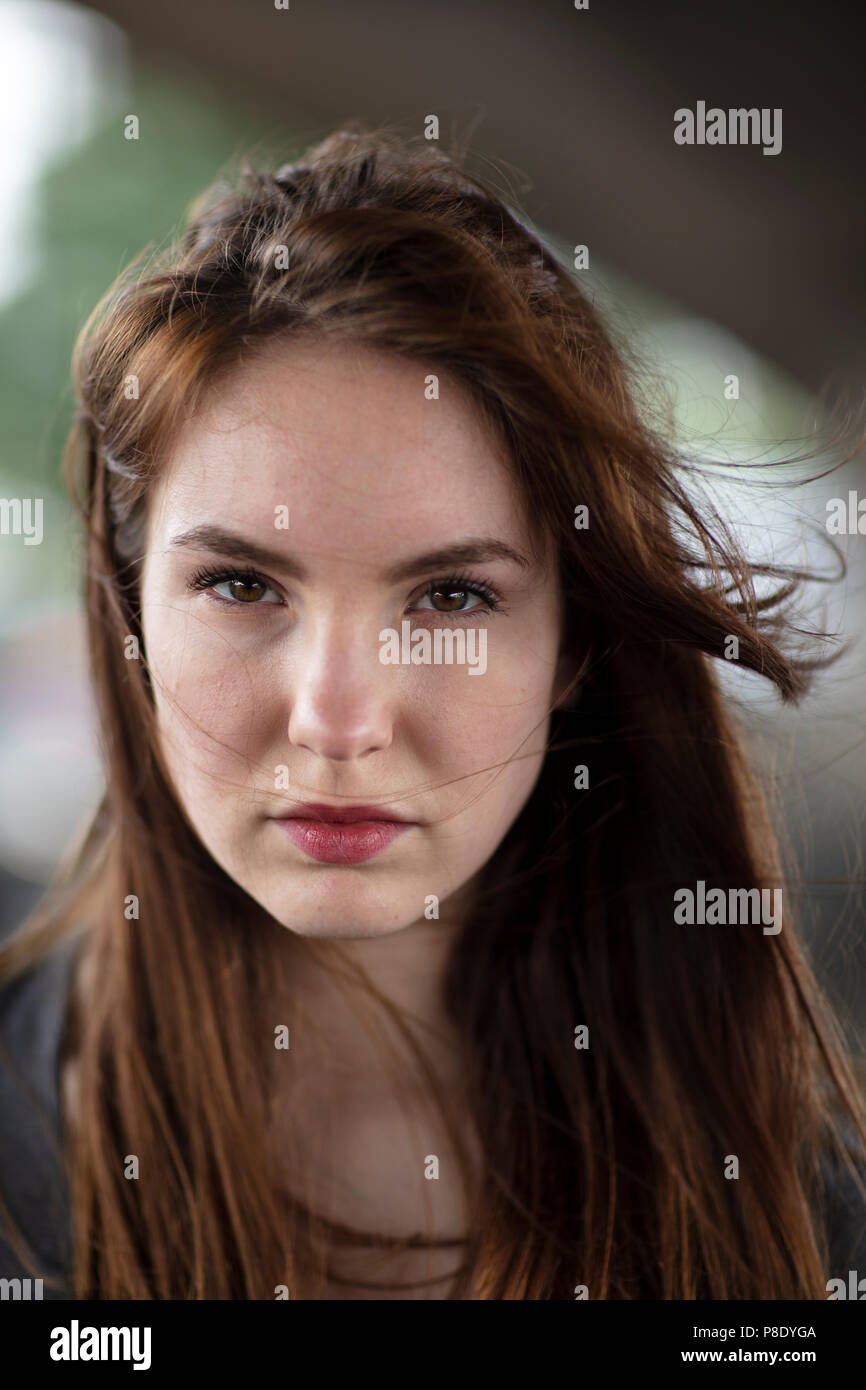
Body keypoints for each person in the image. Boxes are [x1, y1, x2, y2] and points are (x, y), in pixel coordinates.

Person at [1, 123, 864, 1301]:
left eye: (450, 595)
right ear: (130, 615)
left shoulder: (794, 1216)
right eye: (243, 584)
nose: (337, 721)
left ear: (573, 644)